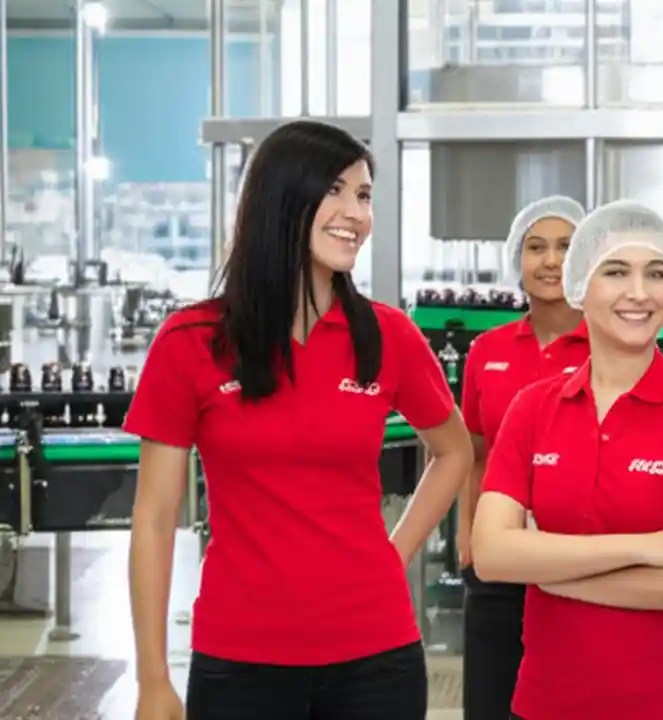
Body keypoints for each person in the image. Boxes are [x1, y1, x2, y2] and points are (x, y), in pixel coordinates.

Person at [127, 120, 473, 720]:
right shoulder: (191, 341)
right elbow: (154, 519)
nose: (356, 214)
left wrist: (393, 555)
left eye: (363, 195)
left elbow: (455, 450)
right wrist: (153, 679)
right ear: (280, 197)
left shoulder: (388, 335)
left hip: (377, 659)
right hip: (240, 660)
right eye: (335, 190)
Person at [471, 200, 663, 720]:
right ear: (580, 284)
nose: (640, 292)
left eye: (657, 273)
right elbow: (491, 554)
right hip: (548, 703)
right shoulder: (533, 408)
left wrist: (548, 572)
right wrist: (652, 546)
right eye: (617, 271)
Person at [457, 195, 589, 720]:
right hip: (498, 562)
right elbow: (473, 451)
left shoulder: (609, 347)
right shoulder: (486, 351)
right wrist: (467, 535)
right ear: (518, 258)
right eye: (536, 248)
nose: (551, 260)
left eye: (566, 247)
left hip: (580, 561)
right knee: (492, 700)